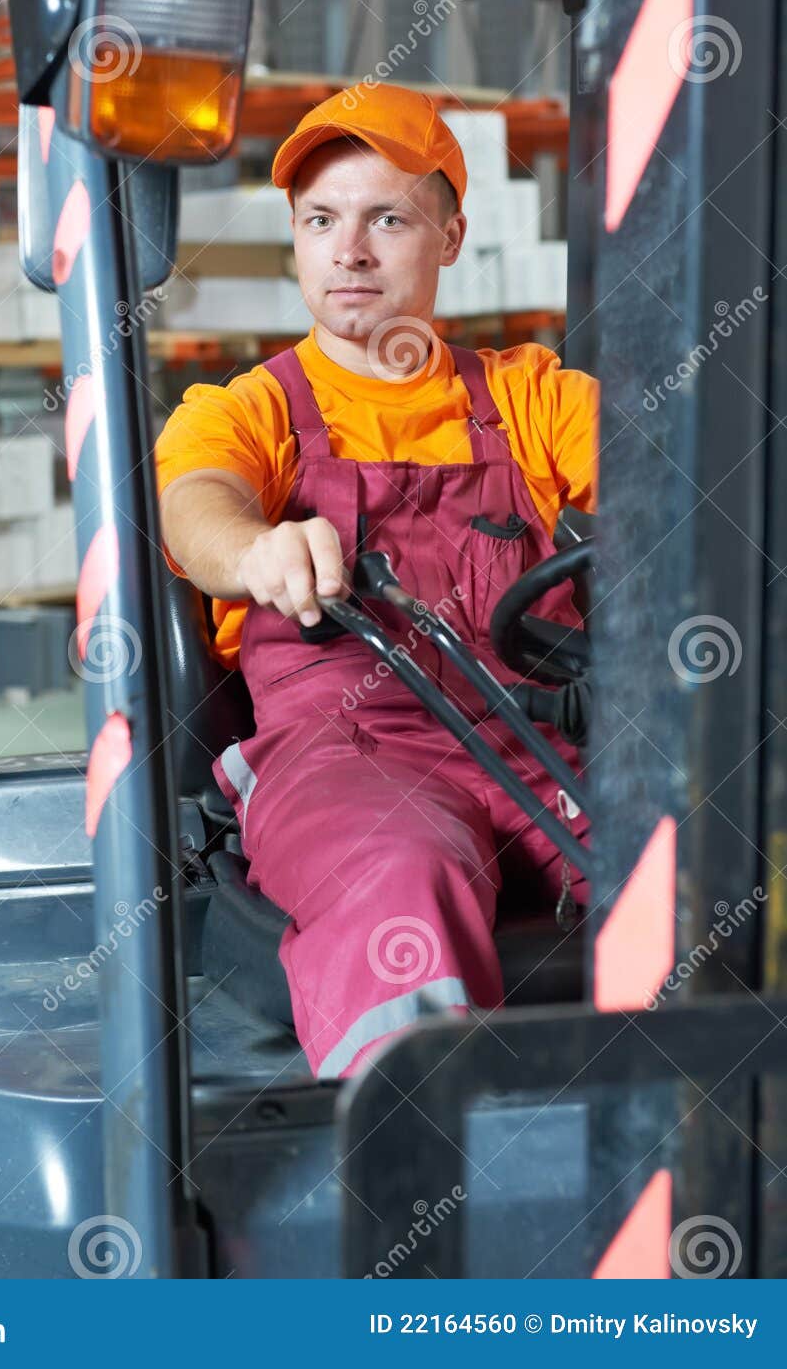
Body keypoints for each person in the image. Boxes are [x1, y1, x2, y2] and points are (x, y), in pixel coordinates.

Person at [155, 83, 598, 1080]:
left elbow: (679, 471)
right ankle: (418, 1163)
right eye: (321, 220)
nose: (348, 251)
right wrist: (254, 550)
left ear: (451, 238)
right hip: (345, 755)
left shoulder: (531, 399)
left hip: (537, 741)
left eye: (386, 220)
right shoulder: (248, 410)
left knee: (713, 853)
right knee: (400, 877)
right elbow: (198, 506)